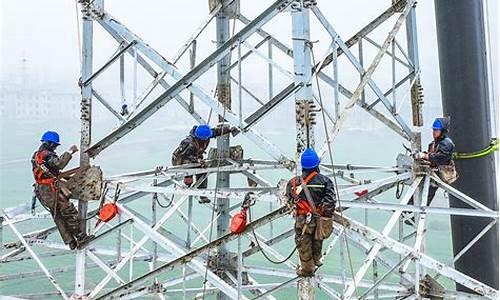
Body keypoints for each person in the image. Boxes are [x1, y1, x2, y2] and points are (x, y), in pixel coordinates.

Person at [32, 131, 93, 250]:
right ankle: (80, 237)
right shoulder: (47, 155)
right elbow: (59, 164)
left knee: (58, 215)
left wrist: (67, 177)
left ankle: (70, 241)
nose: (55, 148)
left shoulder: (36, 155)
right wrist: (70, 152)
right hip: (50, 190)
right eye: (54, 145)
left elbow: (50, 172)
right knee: (68, 211)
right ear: (50, 143)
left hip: (42, 191)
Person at [286, 148, 336, 276]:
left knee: (303, 242)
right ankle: (317, 259)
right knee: (317, 239)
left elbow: (290, 200)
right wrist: (325, 217)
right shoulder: (325, 181)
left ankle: (307, 269)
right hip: (318, 219)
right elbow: (330, 203)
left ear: (303, 166)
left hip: (302, 220)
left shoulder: (293, 183)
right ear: (317, 164)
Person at [405, 118, 456, 225]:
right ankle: (406, 209)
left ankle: (414, 215)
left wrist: (425, 156)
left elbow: (441, 158)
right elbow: (432, 155)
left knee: (427, 193)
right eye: (433, 130)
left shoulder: (446, 143)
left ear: (442, 131)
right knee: (419, 190)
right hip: (433, 171)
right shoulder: (436, 143)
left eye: (436, 130)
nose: (434, 132)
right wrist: (424, 155)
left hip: (440, 173)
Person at [171, 124, 238, 203]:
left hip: (195, 157)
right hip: (181, 160)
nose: (206, 139)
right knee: (193, 168)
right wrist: (197, 160)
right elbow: (185, 156)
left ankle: (202, 193)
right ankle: (188, 181)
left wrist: (229, 129)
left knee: (203, 170)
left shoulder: (205, 134)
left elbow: (217, 131)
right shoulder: (189, 143)